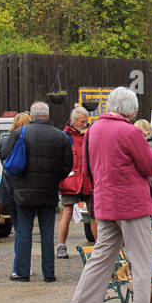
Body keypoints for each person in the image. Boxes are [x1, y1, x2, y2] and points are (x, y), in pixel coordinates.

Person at [63, 87, 152, 303]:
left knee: (100, 258)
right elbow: (150, 166)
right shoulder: (130, 132)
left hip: (105, 203)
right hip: (132, 205)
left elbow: (86, 167)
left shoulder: (94, 129)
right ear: (130, 110)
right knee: (140, 261)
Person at [0, 101, 72, 283]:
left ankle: (22, 272)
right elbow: (67, 166)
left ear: (31, 116)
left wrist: (19, 179)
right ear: (48, 115)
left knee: (24, 232)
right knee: (47, 234)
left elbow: (5, 157)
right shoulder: (61, 137)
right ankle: (49, 273)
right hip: (49, 191)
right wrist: (54, 179)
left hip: (24, 192)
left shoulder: (19, 134)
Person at [56, 107, 93, 258]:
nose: (86, 124)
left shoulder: (90, 134)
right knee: (67, 211)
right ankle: (61, 245)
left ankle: (99, 246)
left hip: (88, 180)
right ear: (74, 121)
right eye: (83, 121)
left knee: (93, 213)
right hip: (70, 180)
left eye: (86, 121)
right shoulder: (64, 136)